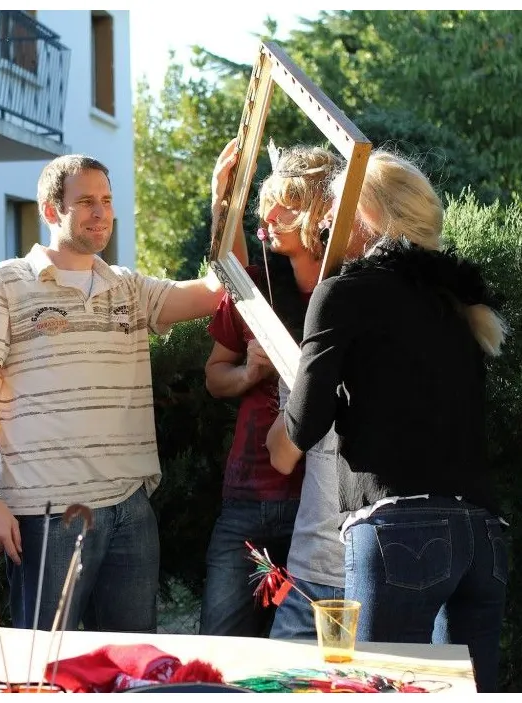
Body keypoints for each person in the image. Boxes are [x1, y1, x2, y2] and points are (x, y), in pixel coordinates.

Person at [0, 152, 230, 634]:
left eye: (106, 200)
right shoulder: (5, 283)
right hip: (46, 513)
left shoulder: (127, 286)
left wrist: (221, 205)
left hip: (130, 508)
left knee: (130, 670)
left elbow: (215, 291)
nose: (100, 211)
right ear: (49, 211)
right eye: (85, 202)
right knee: (41, 670)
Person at [267, 151, 509, 692]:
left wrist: (274, 434)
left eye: (333, 211)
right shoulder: (457, 302)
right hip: (482, 537)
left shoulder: (346, 291)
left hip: (400, 531)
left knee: (376, 691)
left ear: (364, 216)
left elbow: (302, 430)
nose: (324, 224)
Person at [199, 145, 341, 637]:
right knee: (223, 652)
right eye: (268, 203)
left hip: (327, 514)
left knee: (315, 667)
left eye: (289, 204)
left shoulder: (352, 291)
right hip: (250, 501)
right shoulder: (255, 288)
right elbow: (215, 375)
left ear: (325, 211)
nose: (272, 216)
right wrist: (248, 374)